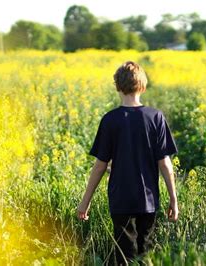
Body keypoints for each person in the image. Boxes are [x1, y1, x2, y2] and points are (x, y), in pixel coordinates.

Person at [77, 61, 179, 265]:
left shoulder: (110, 120)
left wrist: (85, 201)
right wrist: (173, 199)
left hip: (120, 200)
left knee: (125, 256)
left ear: (117, 86)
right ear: (143, 85)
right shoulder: (155, 117)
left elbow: (99, 166)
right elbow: (165, 164)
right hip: (149, 200)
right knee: (146, 255)